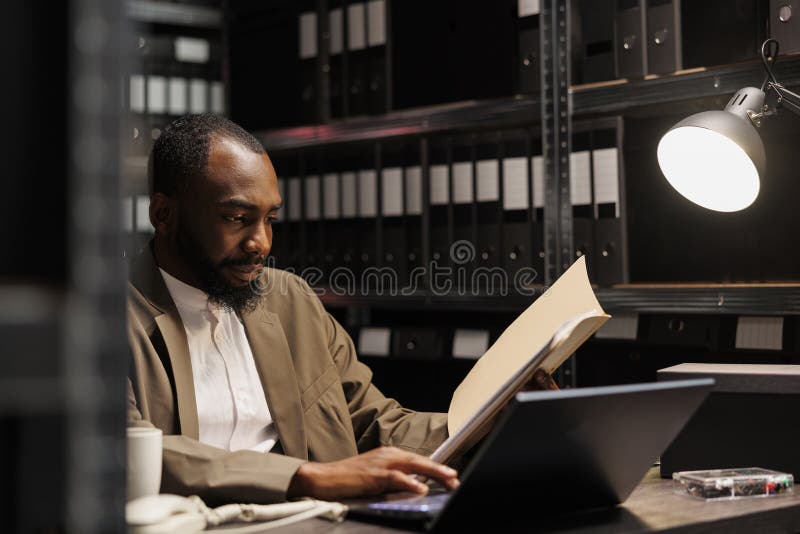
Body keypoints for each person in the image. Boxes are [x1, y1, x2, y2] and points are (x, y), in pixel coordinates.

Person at [126, 113, 555, 505]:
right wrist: (306, 477)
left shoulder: (290, 301)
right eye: (236, 218)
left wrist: (488, 422)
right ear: (164, 215)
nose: (261, 243)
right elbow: (125, 449)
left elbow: (371, 423)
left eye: (270, 219)